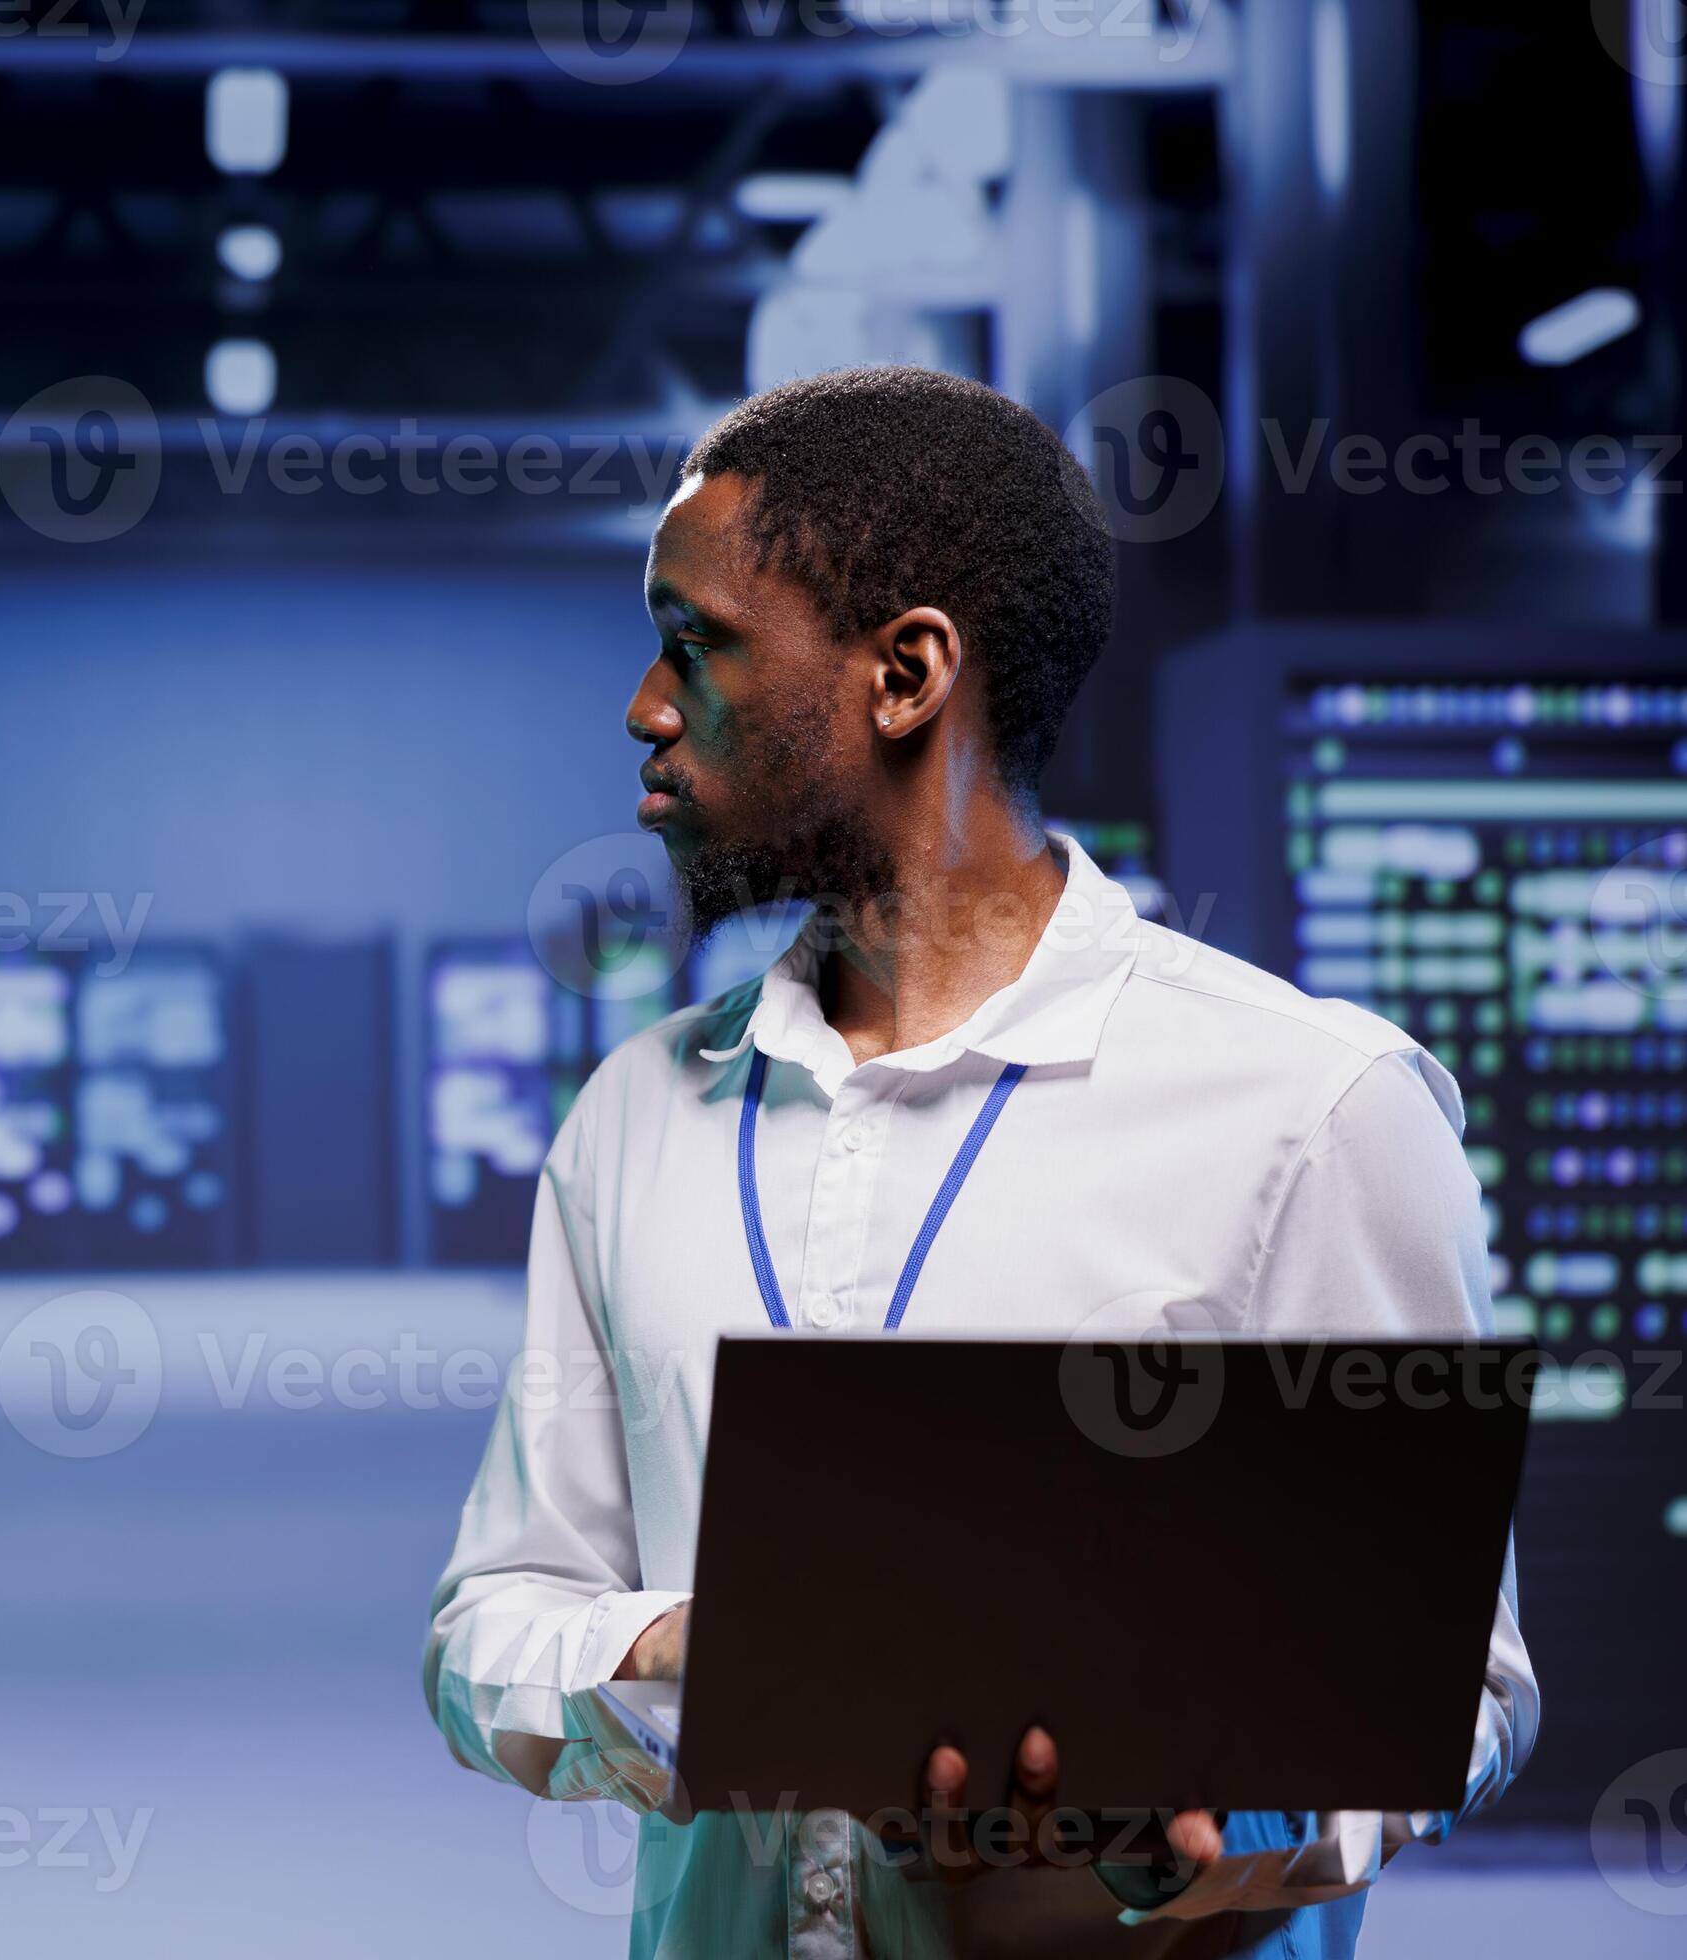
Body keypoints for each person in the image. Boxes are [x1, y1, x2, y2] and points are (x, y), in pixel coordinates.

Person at [422, 367, 1535, 1959]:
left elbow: (1456, 1688)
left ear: (907, 675)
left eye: (697, 644)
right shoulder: (633, 1117)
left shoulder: (1315, 1107)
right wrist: (691, 1655)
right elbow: (489, 1624)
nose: (646, 711)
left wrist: (1209, 1834)